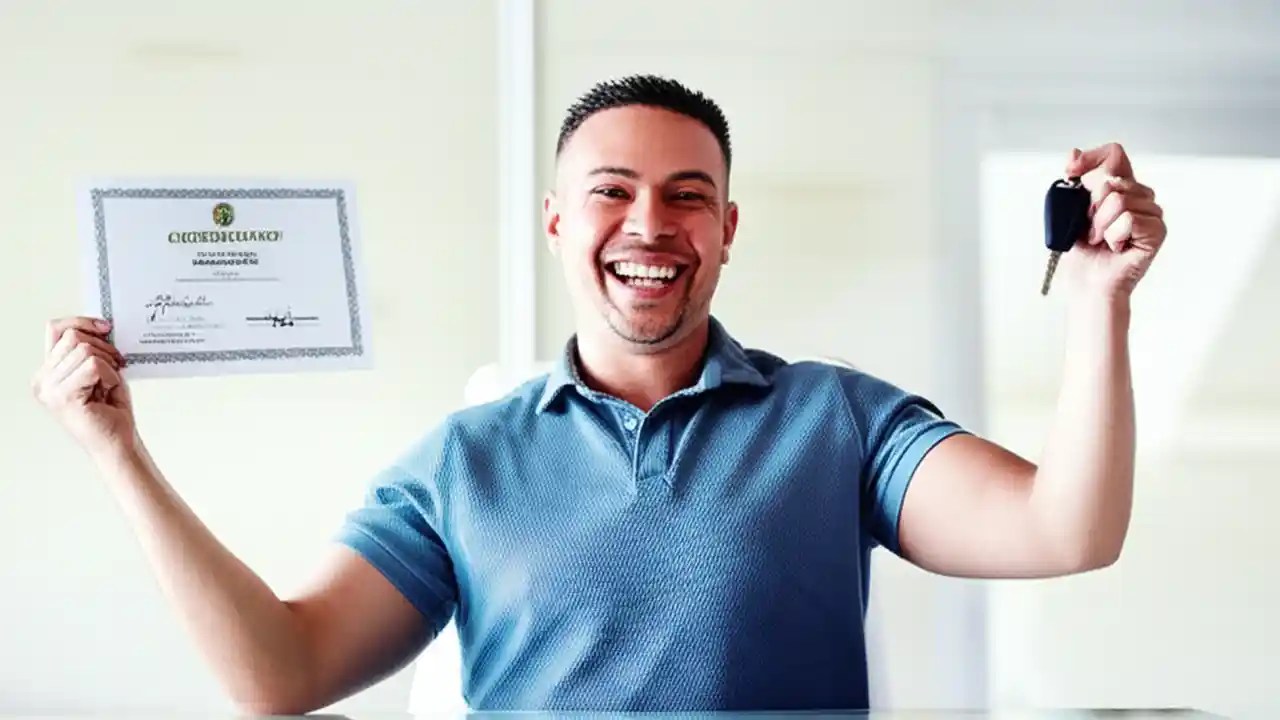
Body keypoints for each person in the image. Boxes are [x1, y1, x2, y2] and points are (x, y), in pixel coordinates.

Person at [31, 74, 1167, 714]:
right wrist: (117, 453)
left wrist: (1098, 303)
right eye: (611, 192)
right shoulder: (460, 461)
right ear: (558, 223)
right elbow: (277, 675)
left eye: (686, 196)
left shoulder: (840, 422)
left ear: (725, 230)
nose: (648, 224)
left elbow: (1064, 528)